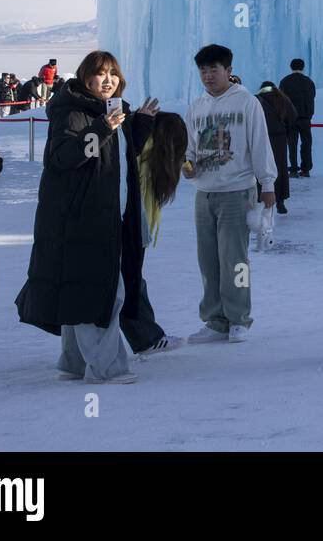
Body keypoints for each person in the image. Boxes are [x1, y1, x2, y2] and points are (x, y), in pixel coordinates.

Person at [14, 50, 161, 383]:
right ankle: (108, 368)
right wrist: (101, 127)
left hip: (108, 214)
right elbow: (65, 156)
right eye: (100, 73)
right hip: (83, 218)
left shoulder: (109, 110)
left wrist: (139, 125)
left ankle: (75, 362)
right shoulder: (72, 112)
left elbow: (113, 158)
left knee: (79, 288)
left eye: (113, 73)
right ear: (85, 77)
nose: (108, 79)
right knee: (103, 291)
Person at [181, 44, 277, 343]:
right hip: (204, 191)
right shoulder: (196, 106)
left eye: (214, 69)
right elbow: (189, 146)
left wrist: (267, 184)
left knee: (235, 259)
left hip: (237, 190)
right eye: (203, 70)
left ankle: (239, 318)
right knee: (208, 260)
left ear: (228, 71)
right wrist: (186, 164)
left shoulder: (246, 102)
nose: (208, 76)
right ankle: (215, 319)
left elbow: (260, 143)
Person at [124, 110, 188, 357]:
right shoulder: (157, 156)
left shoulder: (146, 150)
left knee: (131, 282)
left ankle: (148, 337)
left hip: (130, 224)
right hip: (135, 225)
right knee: (130, 283)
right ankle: (147, 339)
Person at [255, 80, 297, 214]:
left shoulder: (256, 100)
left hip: (262, 137)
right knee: (280, 169)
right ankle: (280, 202)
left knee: (261, 167)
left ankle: (260, 198)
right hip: (279, 140)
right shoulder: (282, 99)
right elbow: (293, 117)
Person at [279, 58, 316, 178]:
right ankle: (306, 169)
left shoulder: (285, 81)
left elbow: (281, 99)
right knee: (306, 143)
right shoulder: (309, 82)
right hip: (305, 118)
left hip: (290, 118)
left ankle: (293, 170)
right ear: (303, 67)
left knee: (292, 143)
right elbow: (312, 96)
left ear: (291, 67)